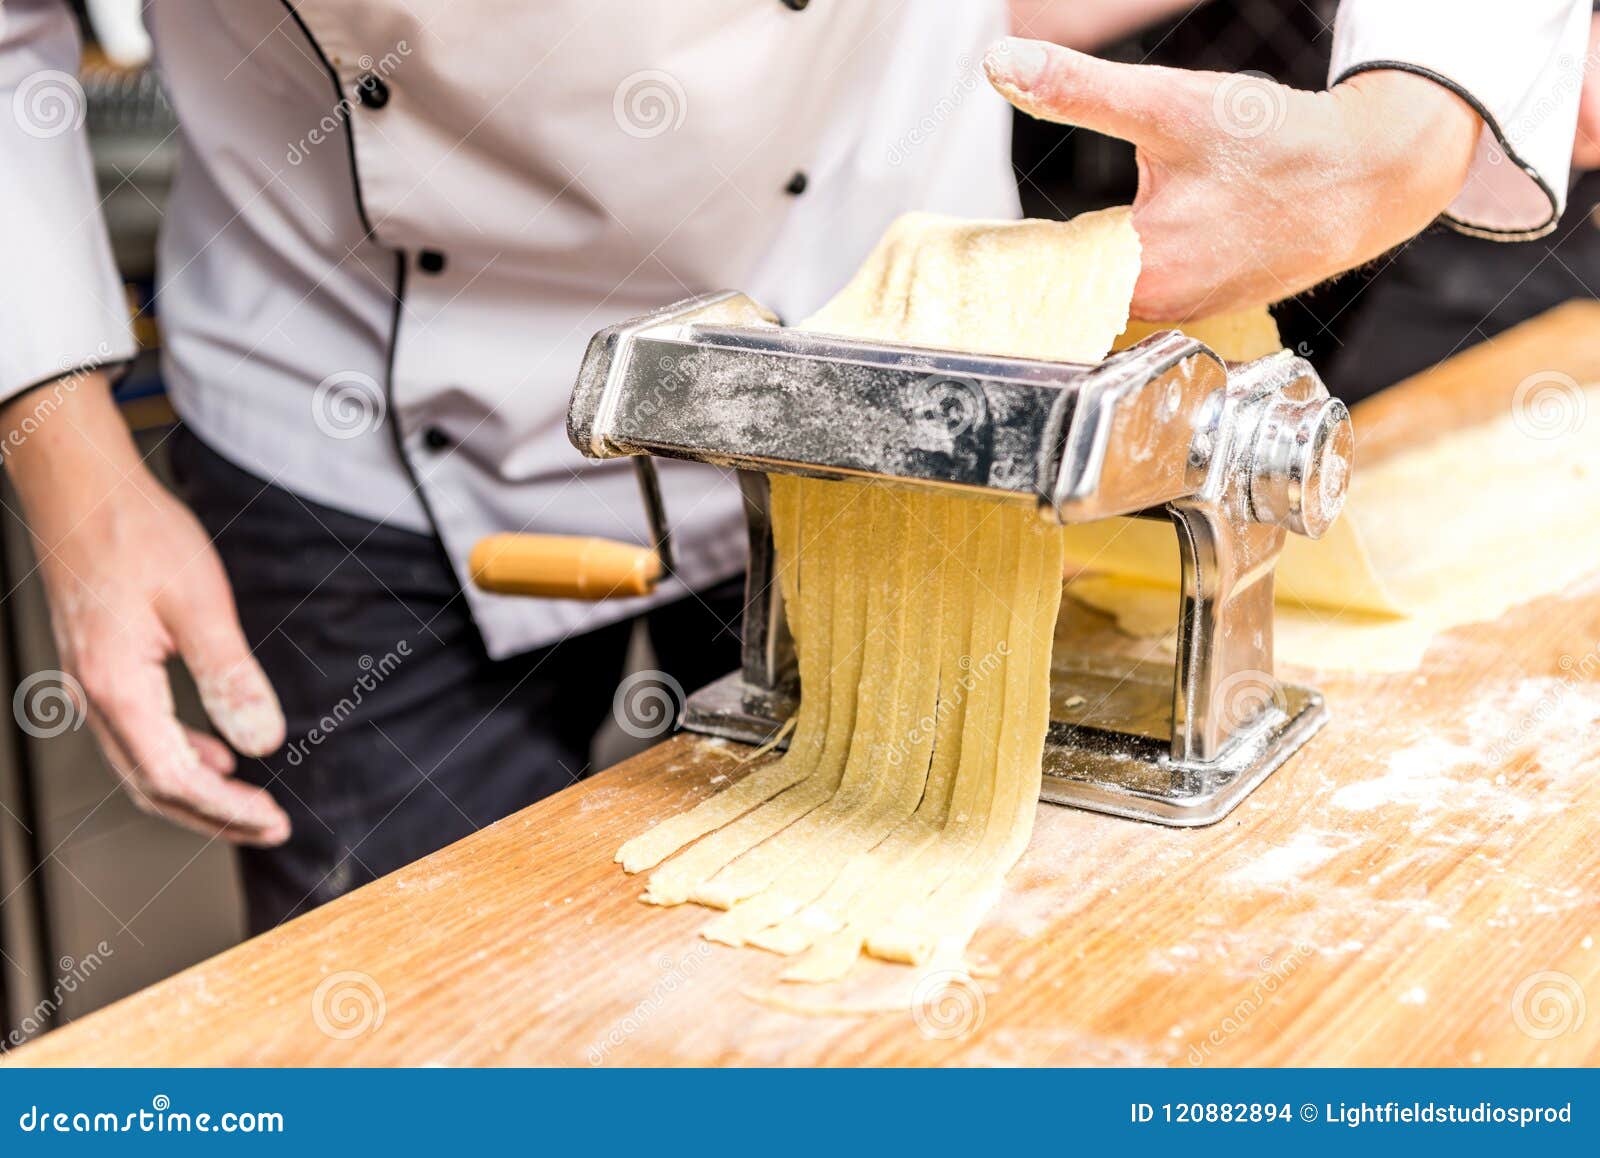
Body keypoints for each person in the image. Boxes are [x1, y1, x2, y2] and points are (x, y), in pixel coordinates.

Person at [0, 1, 1589, 932]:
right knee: (406, 1027)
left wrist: (1411, 124)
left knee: (943, 995)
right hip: (354, 398)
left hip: (892, 332)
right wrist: (66, 448)